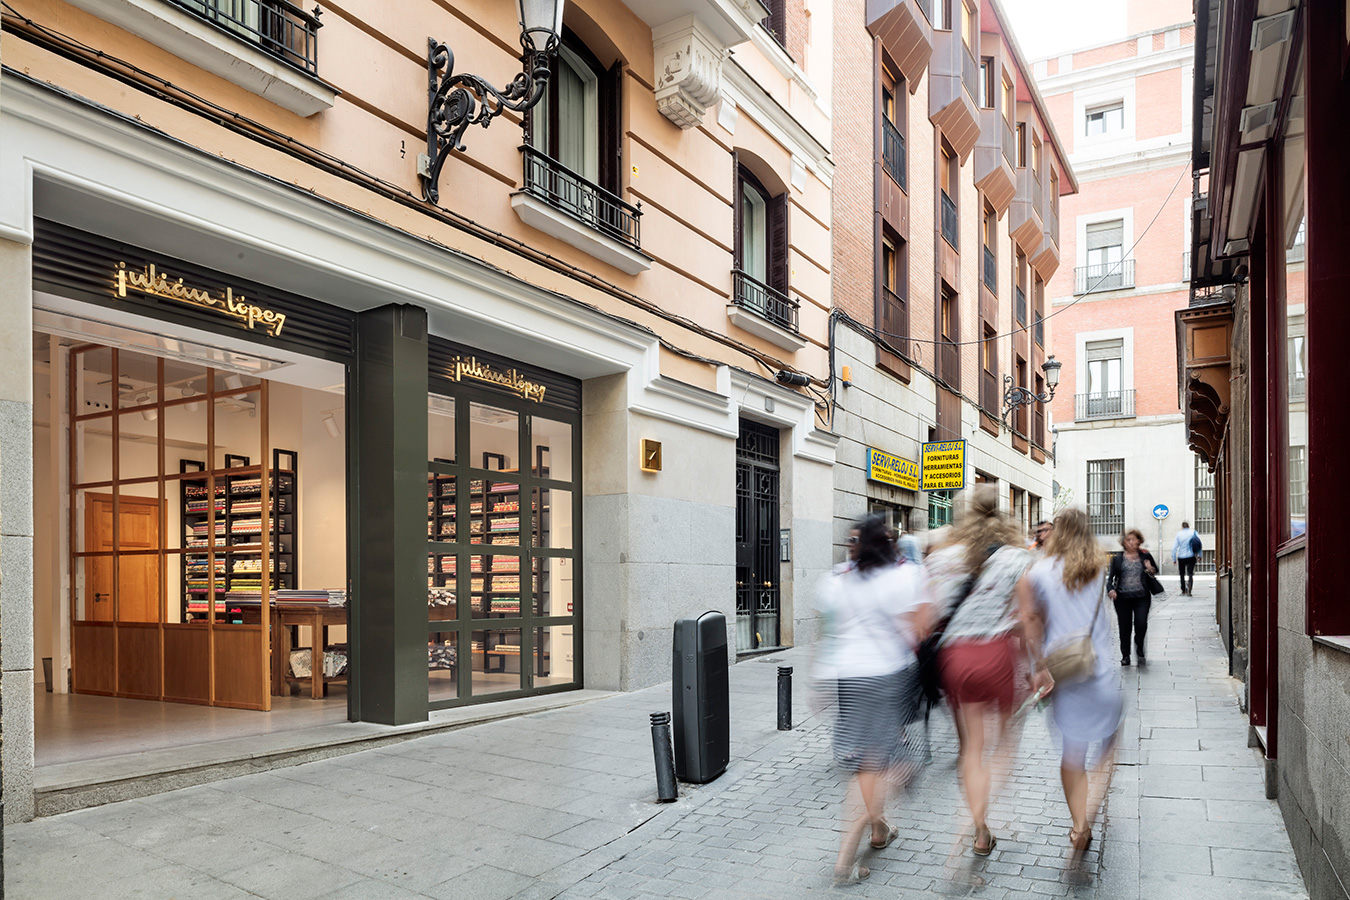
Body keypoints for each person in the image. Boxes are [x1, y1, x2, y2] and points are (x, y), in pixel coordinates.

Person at [814, 514, 930, 886]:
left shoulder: (836, 579)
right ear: (889, 543)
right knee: (877, 766)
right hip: (887, 676)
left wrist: (818, 682)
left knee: (865, 759)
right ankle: (846, 855)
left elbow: (828, 631)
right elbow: (922, 627)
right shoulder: (902, 577)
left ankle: (879, 830)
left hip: (849, 678)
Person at [921, 485, 1031, 858]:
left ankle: (978, 825)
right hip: (997, 654)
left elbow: (930, 616)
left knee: (971, 748)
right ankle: (984, 815)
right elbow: (1025, 618)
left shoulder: (941, 558)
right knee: (1004, 745)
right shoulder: (1018, 558)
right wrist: (1039, 666)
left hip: (956, 658)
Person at [1019, 508, 1122, 857]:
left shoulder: (1040, 572)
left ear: (1057, 533)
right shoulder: (1098, 568)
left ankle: (1080, 824)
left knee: (1072, 753)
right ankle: (1091, 804)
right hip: (1100, 669)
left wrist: (1037, 666)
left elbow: (1032, 619)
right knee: (1110, 742)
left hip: (1063, 672)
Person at [1107, 529, 1160, 666]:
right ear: (1123, 542)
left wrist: (1149, 568)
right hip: (1122, 598)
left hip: (1141, 596)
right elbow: (1110, 578)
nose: (1131, 542)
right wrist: (1111, 590)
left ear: (1139, 541)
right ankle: (1125, 655)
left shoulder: (1145, 556)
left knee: (1141, 624)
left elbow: (1155, 571)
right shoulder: (1117, 559)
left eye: (1134, 539)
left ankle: (1140, 649)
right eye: (1128, 540)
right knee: (1124, 627)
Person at [1172, 521, 1199, 596]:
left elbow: (1174, 547)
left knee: (1182, 574)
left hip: (1181, 556)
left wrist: (1174, 558)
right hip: (1191, 555)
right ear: (1189, 526)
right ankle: (1190, 587)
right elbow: (1198, 544)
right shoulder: (1193, 533)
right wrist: (1200, 555)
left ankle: (1183, 590)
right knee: (1190, 573)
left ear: (1182, 527)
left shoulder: (1179, 534)